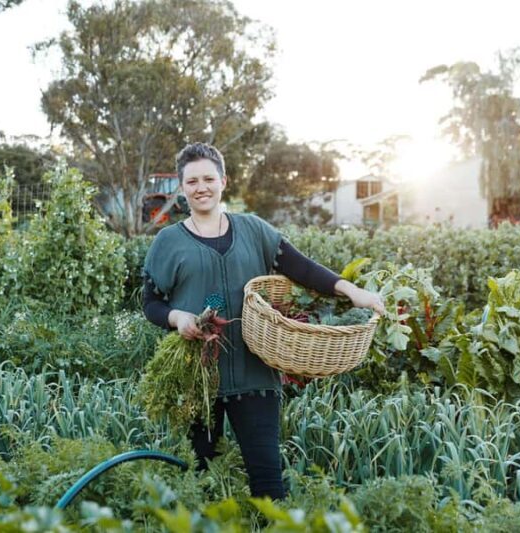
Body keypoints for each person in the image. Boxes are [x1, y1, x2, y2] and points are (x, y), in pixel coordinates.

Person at [142, 142, 385, 500]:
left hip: (255, 375)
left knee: (268, 483)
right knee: (204, 482)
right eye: (192, 181)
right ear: (182, 188)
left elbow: (301, 268)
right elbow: (151, 303)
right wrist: (178, 318)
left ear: (224, 180)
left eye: (209, 178)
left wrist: (353, 291)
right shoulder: (168, 241)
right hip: (198, 379)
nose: (201, 187)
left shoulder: (254, 230)